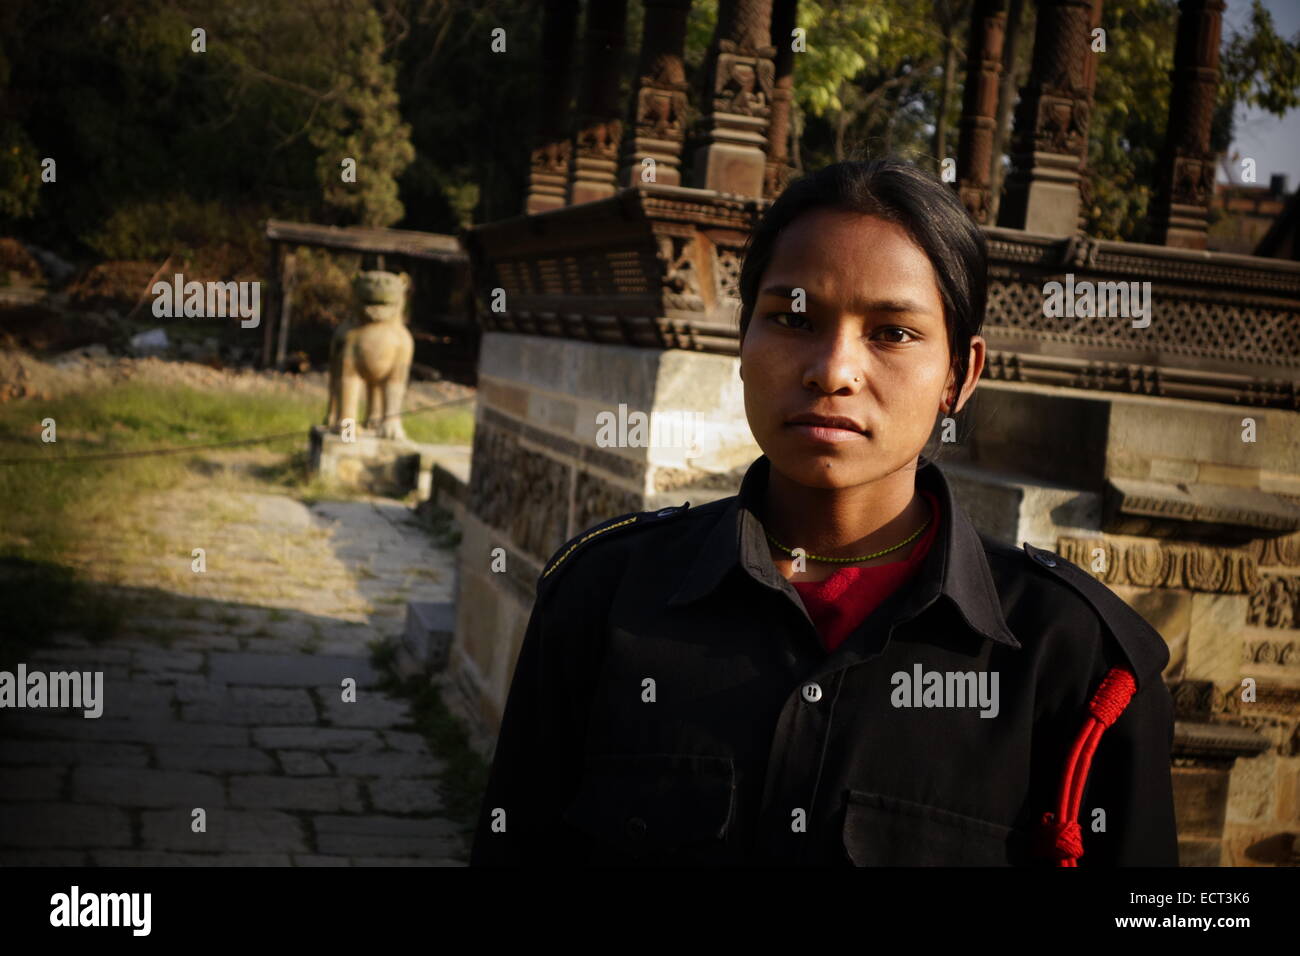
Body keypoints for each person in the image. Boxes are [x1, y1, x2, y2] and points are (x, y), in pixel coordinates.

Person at [469, 158, 1179, 867]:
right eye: (792, 318)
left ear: (960, 376)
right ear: (741, 343)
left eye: (892, 333)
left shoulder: (1078, 664)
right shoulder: (604, 599)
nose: (833, 370)